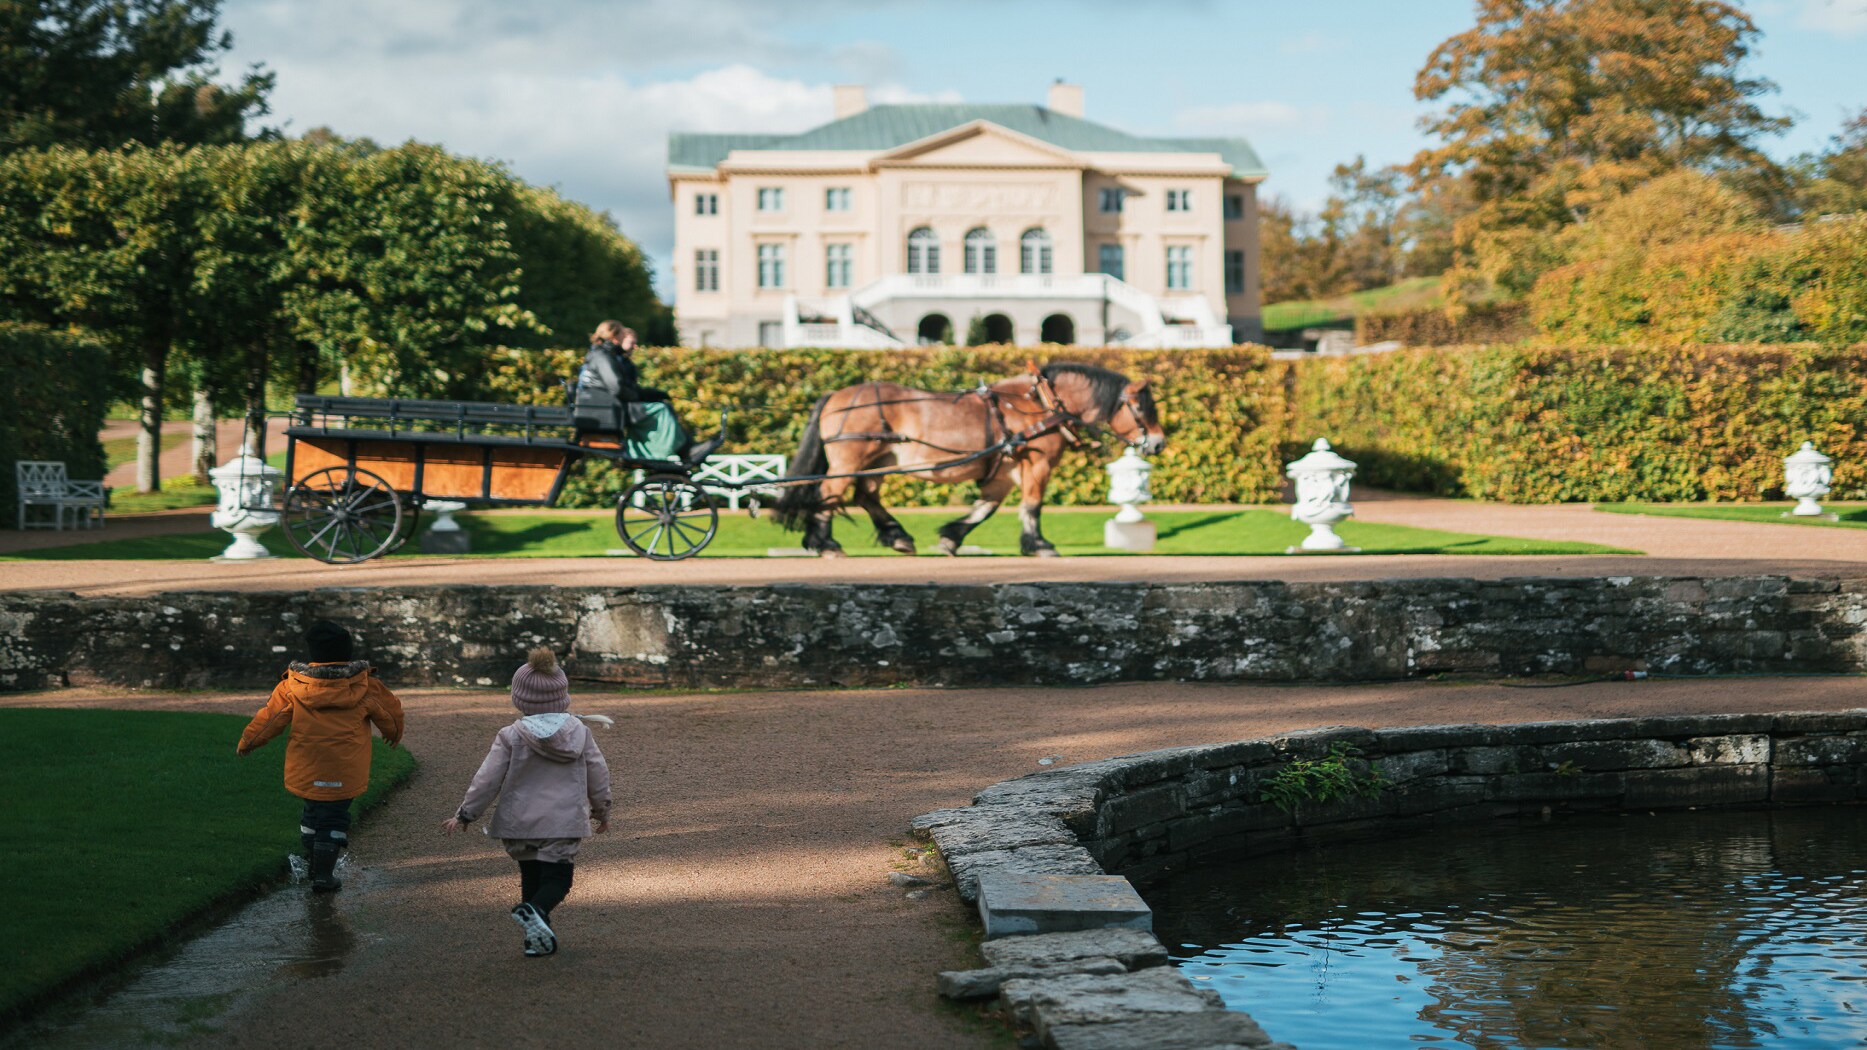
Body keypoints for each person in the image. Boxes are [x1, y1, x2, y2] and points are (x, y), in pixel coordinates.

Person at [441, 647, 612, 957]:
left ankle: (535, 940)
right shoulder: (579, 732)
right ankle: (535, 911)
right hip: (562, 823)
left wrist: (466, 814)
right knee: (558, 881)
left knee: (531, 876)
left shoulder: (510, 735)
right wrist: (602, 810)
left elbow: (487, 778)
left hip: (519, 823)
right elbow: (597, 774)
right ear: (563, 695)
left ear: (519, 698)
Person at [238, 620, 405, 893]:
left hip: (306, 766)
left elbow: (269, 719)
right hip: (344, 768)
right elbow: (391, 714)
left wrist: (248, 741)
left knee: (313, 814)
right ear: (347, 651)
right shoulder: (366, 686)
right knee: (334, 818)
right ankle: (323, 876)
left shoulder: (292, 686)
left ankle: (315, 866)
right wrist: (394, 733)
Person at [577, 321, 723, 465]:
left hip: (610, 406)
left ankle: (687, 449)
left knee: (661, 405)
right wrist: (640, 396)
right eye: (622, 334)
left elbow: (621, 386)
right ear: (614, 336)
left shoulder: (603, 354)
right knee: (661, 409)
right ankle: (680, 452)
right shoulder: (602, 356)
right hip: (609, 409)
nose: (623, 338)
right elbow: (617, 387)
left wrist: (649, 394)